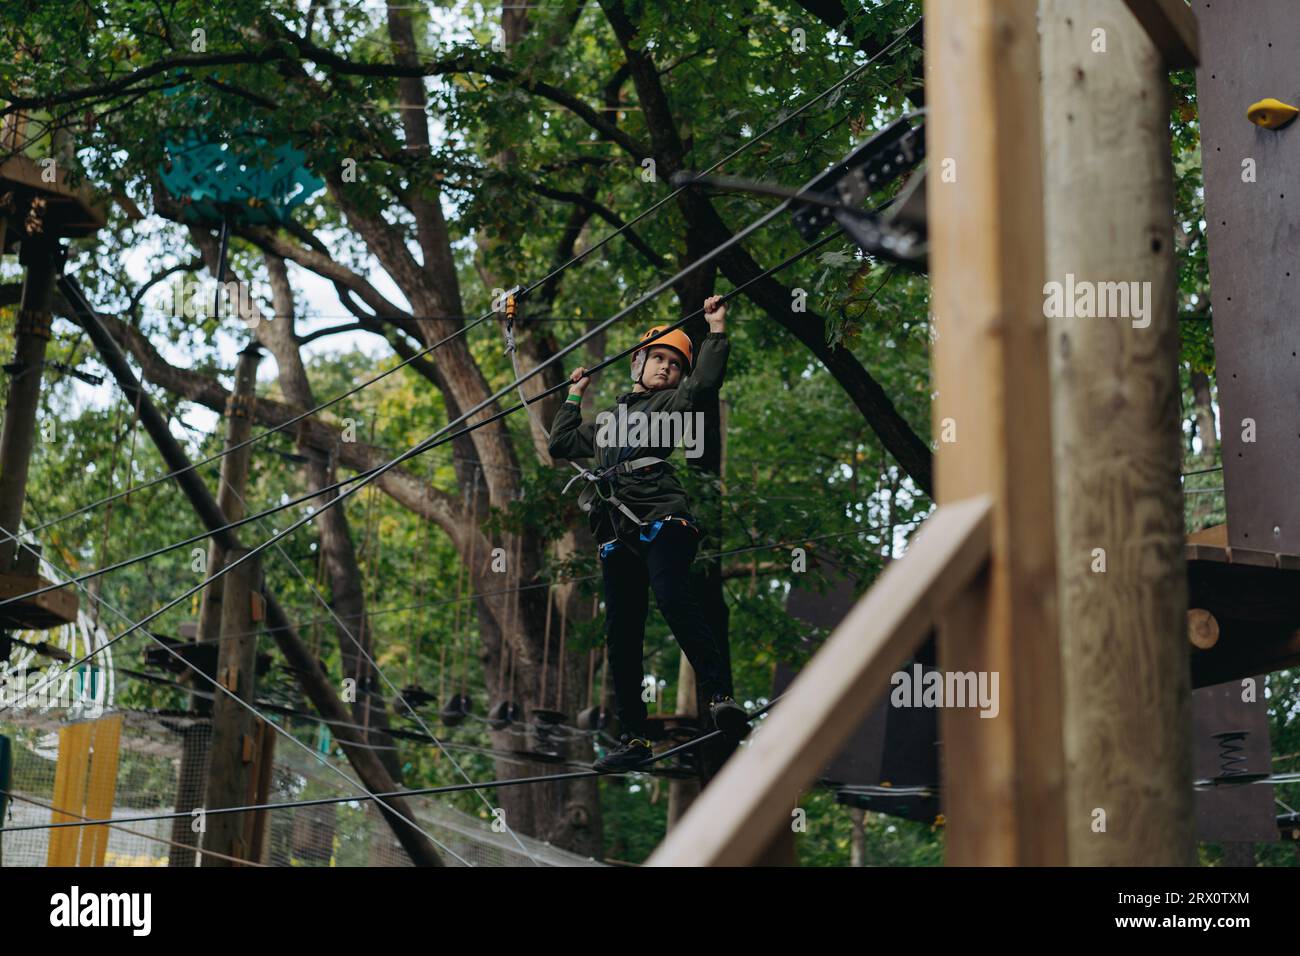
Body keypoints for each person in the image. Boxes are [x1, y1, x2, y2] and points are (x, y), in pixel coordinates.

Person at [548, 295, 749, 773]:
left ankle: (720, 694)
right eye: (658, 358)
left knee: (673, 595)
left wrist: (715, 329)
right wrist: (575, 394)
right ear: (638, 363)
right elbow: (560, 443)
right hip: (617, 530)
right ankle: (635, 737)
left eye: (674, 364)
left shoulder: (672, 402)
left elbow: (704, 382)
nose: (666, 369)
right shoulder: (607, 424)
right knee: (621, 633)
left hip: (662, 516)